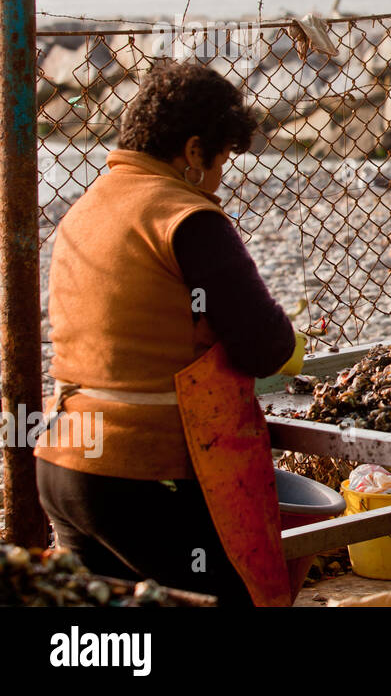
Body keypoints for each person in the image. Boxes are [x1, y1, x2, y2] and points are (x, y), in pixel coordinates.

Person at [37, 61, 306, 606]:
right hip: (143, 475)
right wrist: (293, 344)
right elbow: (264, 345)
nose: (220, 178)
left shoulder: (84, 210)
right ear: (192, 151)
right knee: (223, 599)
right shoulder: (187, 218)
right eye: (221, 160)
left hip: (64, 464)